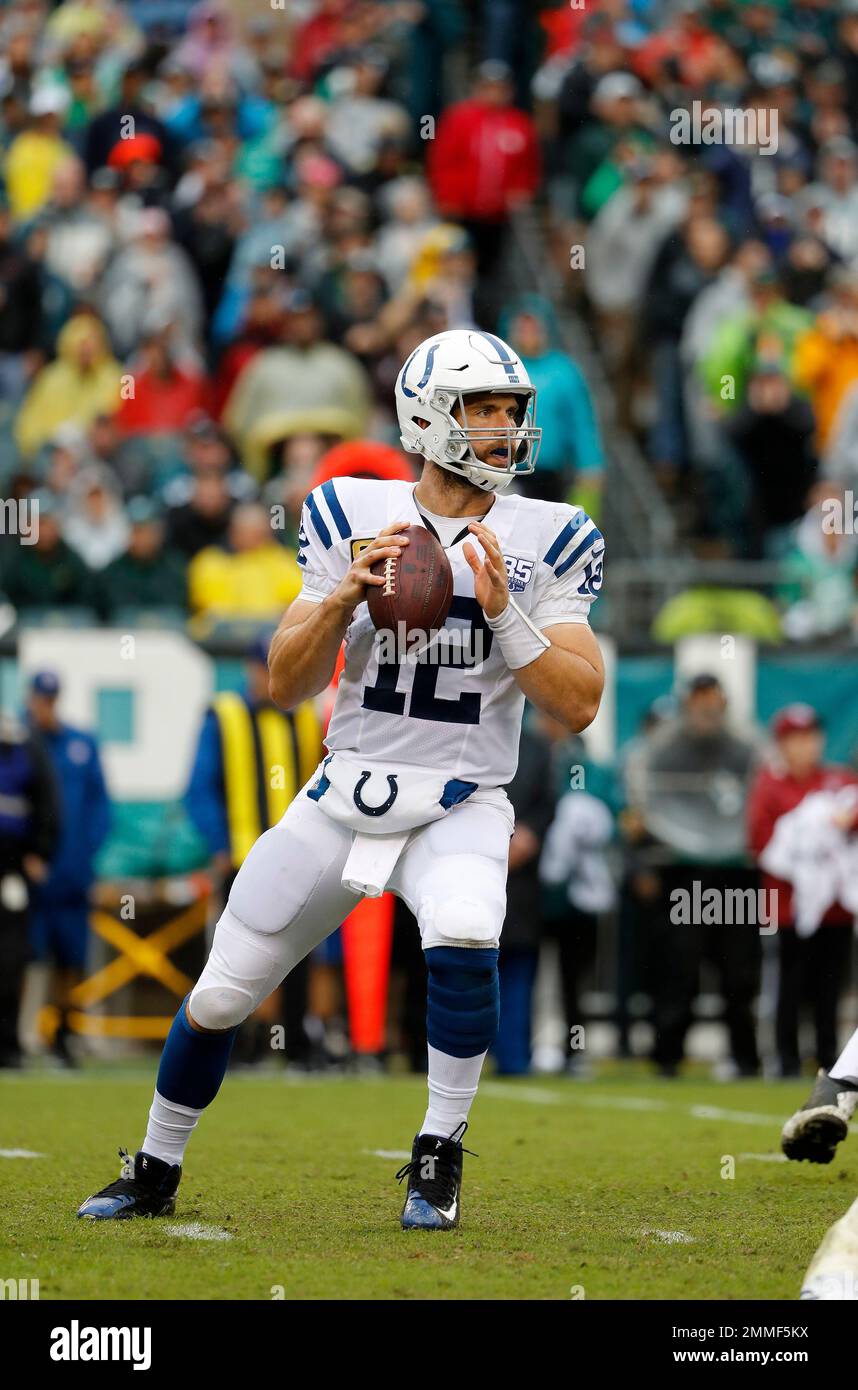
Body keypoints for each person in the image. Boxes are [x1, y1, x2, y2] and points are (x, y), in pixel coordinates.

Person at [78, 326, 605, 1229]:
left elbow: (581, 701)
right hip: (346, 789)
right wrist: (337, 602)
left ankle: (437, 1157)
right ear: (429, 417)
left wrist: (507, 616)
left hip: (461, 800)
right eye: (484, 410)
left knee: (470, 924)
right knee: (221, 991)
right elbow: (284, 682)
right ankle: (155, 1167)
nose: (506, 431)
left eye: (512, 413)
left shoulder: (548, 536)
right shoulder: (348, 513)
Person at [184, 636, 322, 1064]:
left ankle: (294, 1042)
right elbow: (200, 788)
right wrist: (219, 845)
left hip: (296, 857)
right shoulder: (224, 716)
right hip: (242, 857)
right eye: (262, 669)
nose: (267, 678)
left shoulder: (302, 717)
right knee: (237, 954)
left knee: (299, 948)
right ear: (248, 669)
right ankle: (235, 1045)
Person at [748, 705, 858, 1084]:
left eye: (810, 737)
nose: (804, 747)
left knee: (830, 988)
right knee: (789, 987)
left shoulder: (836, 780)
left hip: (835, 911)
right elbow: (761, 841)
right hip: (788, 910)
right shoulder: (771, 784)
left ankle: (828, 1061)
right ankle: (785, 1059)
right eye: (796, 739)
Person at [26, 671, 110, 1066]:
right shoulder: (21, 745)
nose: (45, 707)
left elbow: (99, 805)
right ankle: (23, 1031)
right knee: (24, 954)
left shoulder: (80, 743)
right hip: (30, 872)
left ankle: (65, 1032)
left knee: (71, 958)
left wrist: (84, 854)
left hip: (71, 871)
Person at [0, 710, 59, 1068]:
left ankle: (8, 1043)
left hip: (11, 870)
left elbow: (47, 804)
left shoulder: (27, 749)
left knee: (11, 959)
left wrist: (39, 852)